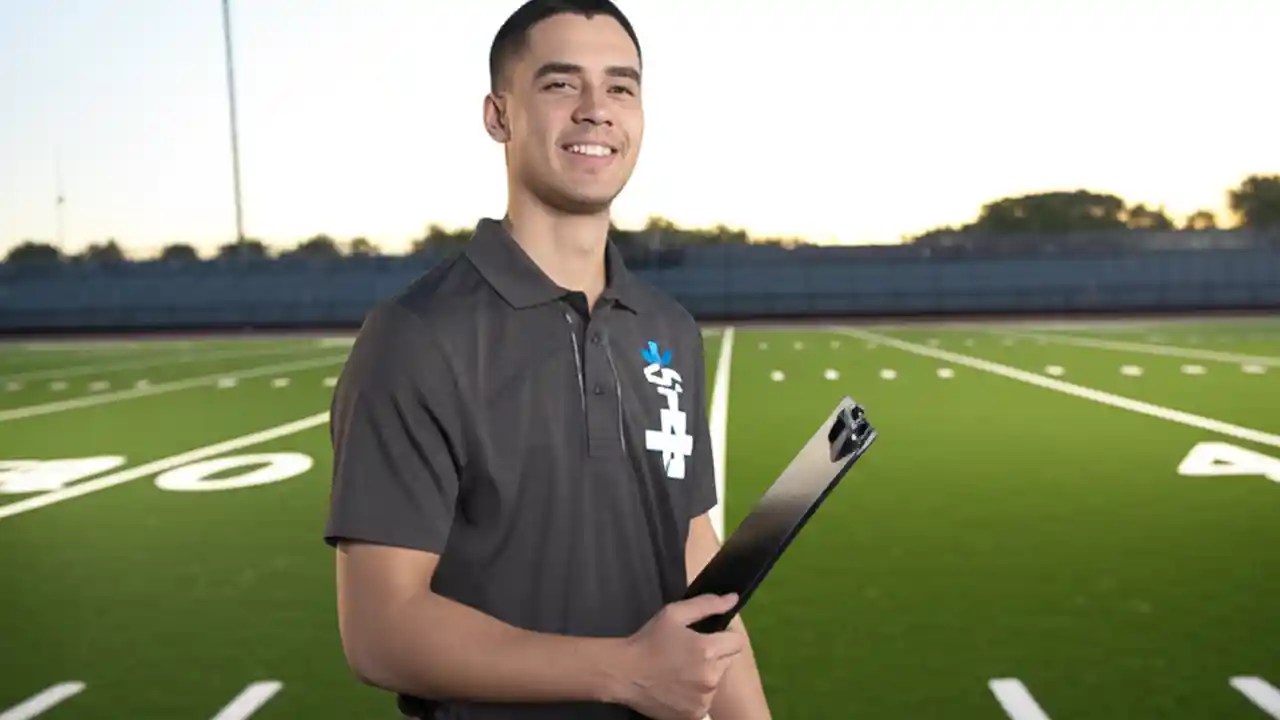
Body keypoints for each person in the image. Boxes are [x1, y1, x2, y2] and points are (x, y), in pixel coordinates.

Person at [323, 1, 771, 718]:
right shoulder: (416, 336)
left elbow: (691, 551)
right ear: (498, 115)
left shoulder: (669, 329)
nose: (598, 110)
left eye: (621, 87)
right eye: (562, 84)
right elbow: (382, 631)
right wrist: (624, 672)